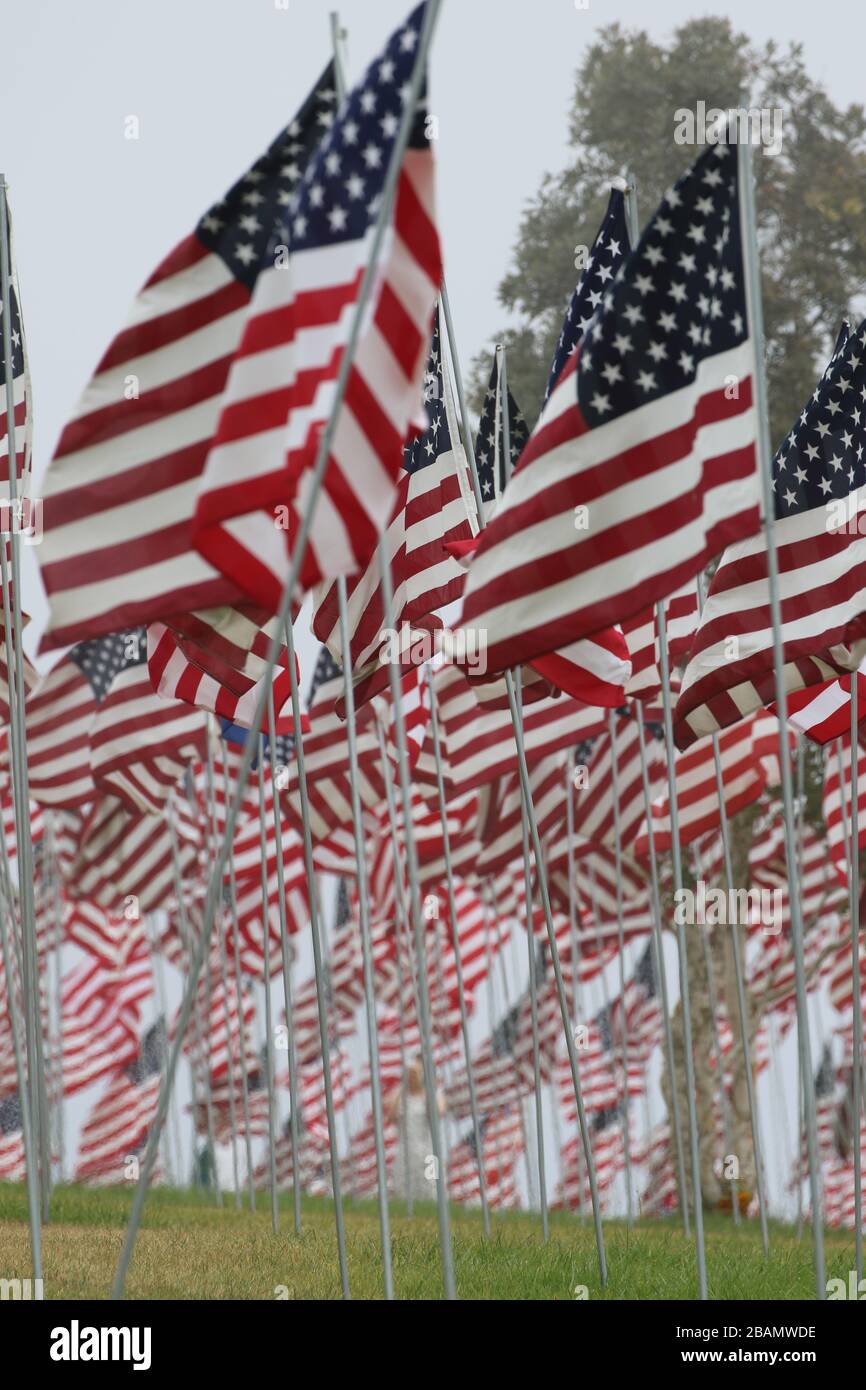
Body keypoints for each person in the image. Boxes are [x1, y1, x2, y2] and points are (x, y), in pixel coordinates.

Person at [386, 1057, 445, 1202]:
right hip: (405, 1151)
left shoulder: (433, 1095)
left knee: (431, 1188)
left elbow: (439, 1112)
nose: (412, 1077)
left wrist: (427, 1091)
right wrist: (402, 1089)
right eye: (410, 1073)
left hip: (428, 1151)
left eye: (416, 1073)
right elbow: (391, 1117)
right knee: (403, 1190)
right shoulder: (400, 1096)